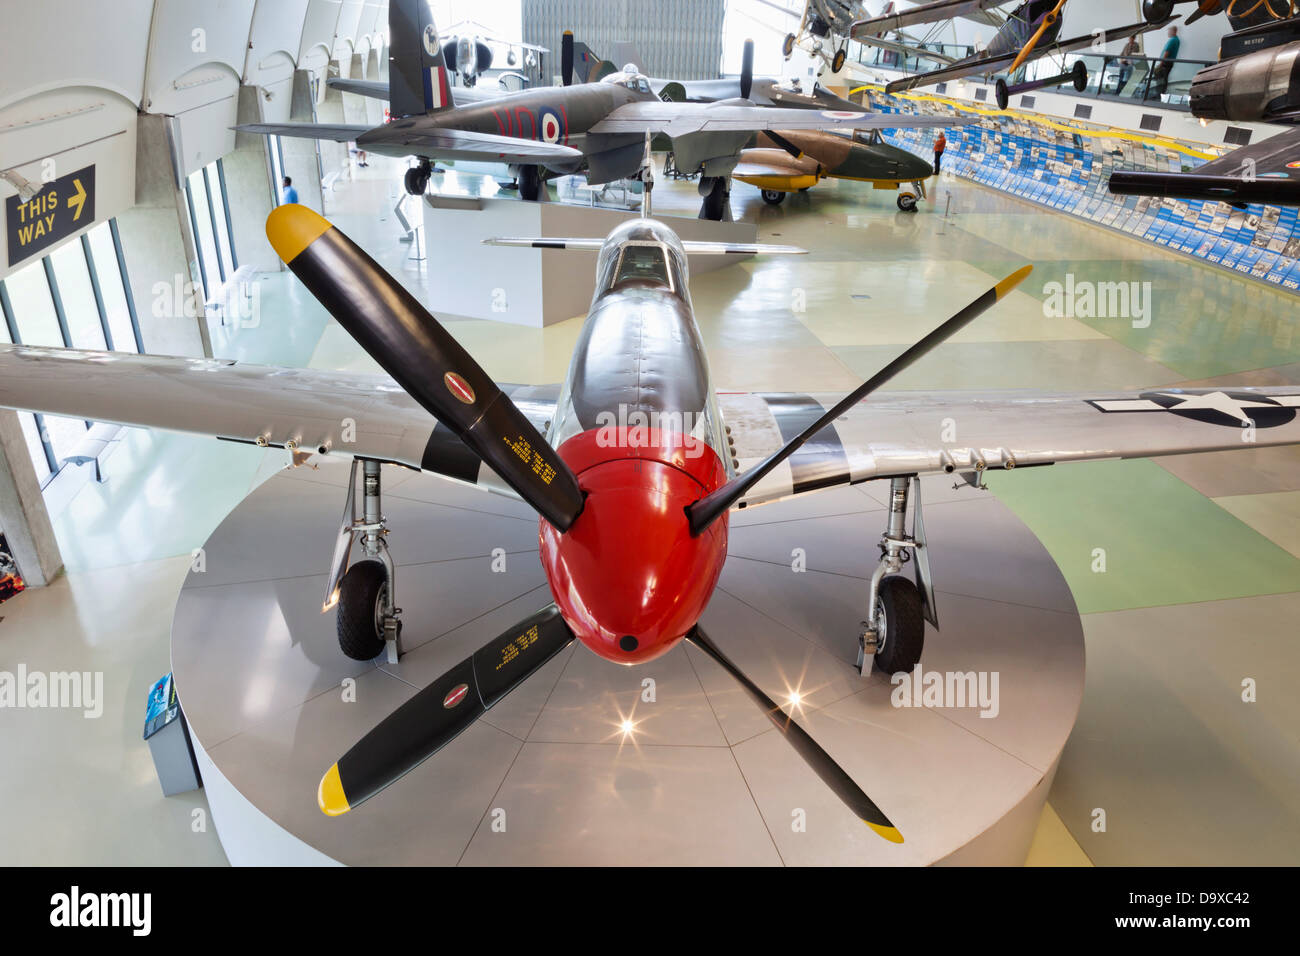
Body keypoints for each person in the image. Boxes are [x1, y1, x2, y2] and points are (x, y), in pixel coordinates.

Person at [1153, 25, 1180, 96]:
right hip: (1169, 63)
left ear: (1173, 32)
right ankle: (1161, 93)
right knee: (1164, 78)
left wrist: (1161, 63)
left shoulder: (1173, 40)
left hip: (1166, 63)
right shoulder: (1176, 39)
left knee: (1161, 78)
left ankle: (1159, 94)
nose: (1168, 33)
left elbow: (1167, 52)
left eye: (1169, 31)